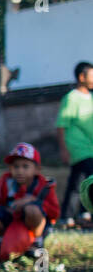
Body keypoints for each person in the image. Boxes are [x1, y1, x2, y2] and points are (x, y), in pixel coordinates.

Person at [0, 143, 60, 260]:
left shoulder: (44, 186)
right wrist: (10, 208)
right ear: (10, 168)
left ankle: (37, 243)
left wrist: (33, 201)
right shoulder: (5, 182)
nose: (20, 171)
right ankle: (2, 241)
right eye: (16, 166)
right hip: (12, 220)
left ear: (36, 169)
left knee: (32, 209)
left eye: (25, 166)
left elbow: (55, 212)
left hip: (34, 224)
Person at [56, 61, 93, 223]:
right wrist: (64, 149)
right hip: (78, 148)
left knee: (76, 181)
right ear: (81, 77)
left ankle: (68, 215)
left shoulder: (91, 98)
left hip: (90, 147)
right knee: (88, 178)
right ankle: (84, 211)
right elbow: (61, 126)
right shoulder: (71, 98)